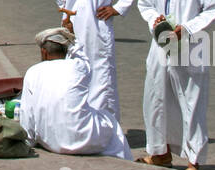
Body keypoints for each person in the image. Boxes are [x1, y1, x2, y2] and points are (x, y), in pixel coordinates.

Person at [136, 0, 215, 170]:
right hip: (161, 44)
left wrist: (188, 28)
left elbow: (213, 6)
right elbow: (145, 4)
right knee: (156, 98)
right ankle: (159, 152)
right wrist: (156, 20)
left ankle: (194, 160)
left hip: (189, 46)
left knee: (192, 101)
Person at [19, 26, 134, 160]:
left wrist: (29, 140)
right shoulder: (78, 66)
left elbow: (27, 111)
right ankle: (125, 161)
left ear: (44, 52)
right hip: (84, 139)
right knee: (110, 121)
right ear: (66, 50)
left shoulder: (33, 71)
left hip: (50, 141)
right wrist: (73, 37)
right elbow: (82, 54)